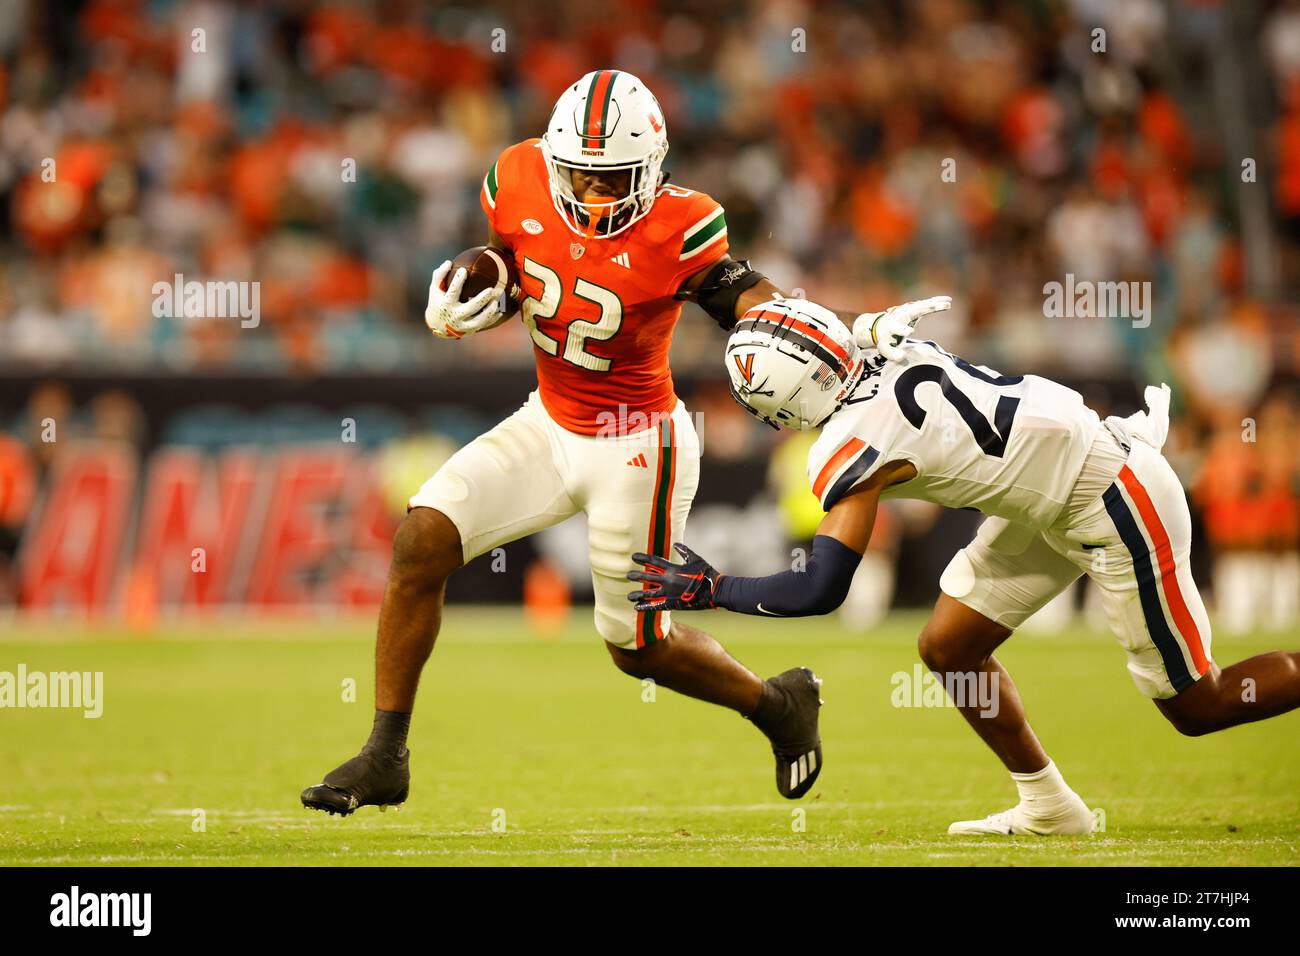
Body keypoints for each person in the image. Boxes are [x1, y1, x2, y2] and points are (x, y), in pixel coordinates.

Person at [301, 70, 943, 814]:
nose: (594, 197)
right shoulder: (515, 176)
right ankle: (386, 755)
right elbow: (512, 260)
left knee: (636, 648)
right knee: (420, 542)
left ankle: (777, 705)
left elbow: (753, 300)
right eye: (580, 177)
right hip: (548, 419)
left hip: (638, 444)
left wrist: (836, 332)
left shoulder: (685, 223)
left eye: (612, 182)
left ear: (651, 170)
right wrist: (484, 286)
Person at [628, 296, 1300, 835]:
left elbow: (820, 586)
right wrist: (861, 325)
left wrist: (714, 588)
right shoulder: (887, 346)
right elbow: (823, 327)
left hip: (1114, 496)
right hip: (1056, 495)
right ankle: (1049, 805)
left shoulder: (853, 439)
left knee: (1199, 704)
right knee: (949, 647)